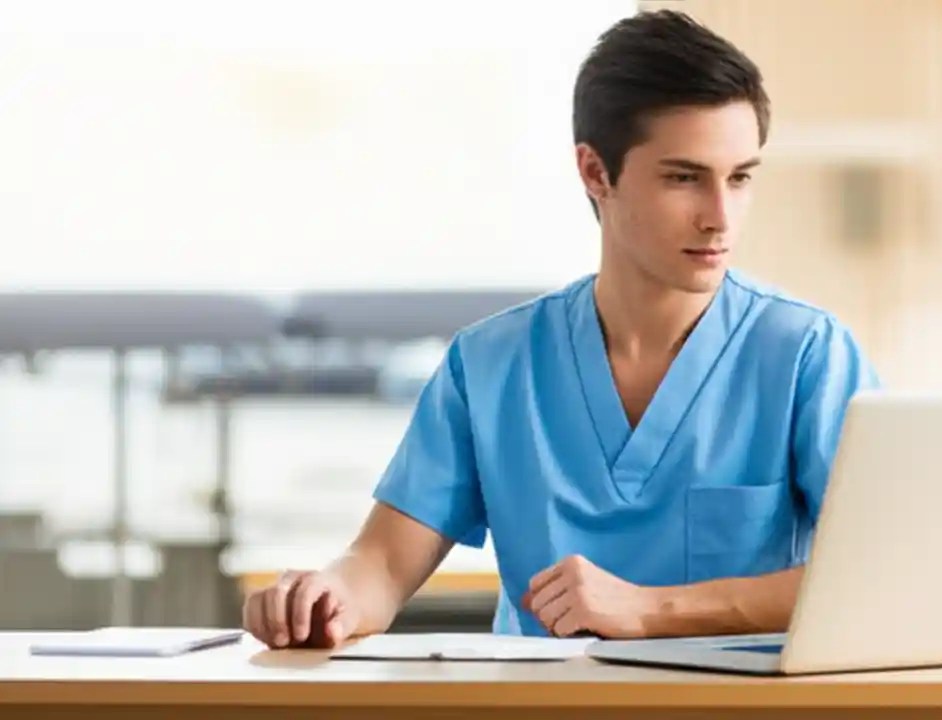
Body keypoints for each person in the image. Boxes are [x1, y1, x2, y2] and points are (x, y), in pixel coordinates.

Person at [242, 9, 878, 648]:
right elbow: (380, 565)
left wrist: (652, 610)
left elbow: (881, 576)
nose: (720, 217)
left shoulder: (805, 356)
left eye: (739, 178)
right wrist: (325, 599)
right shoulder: (491, 365)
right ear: (595, 172)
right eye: (684, 178)